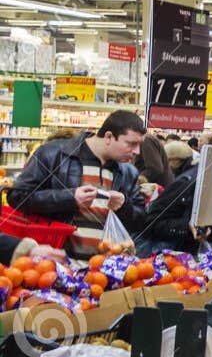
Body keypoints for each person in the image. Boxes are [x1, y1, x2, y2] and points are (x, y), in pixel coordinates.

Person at [6, 109, 148, 259]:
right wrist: (69, 198)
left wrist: (124, 205)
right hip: (54, 262)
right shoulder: (54, 153)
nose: (137, 151)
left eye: (139, 145)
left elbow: (141, 221)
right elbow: (18, 196)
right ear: (108, 137)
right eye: (131, 144)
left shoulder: (128, 172)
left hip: (105, 269)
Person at [135, 134, 172, 199]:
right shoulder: (144, 140)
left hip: (157, 193)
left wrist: (136, 180)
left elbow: (155, 168)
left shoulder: (146, 140)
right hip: (155, 191)